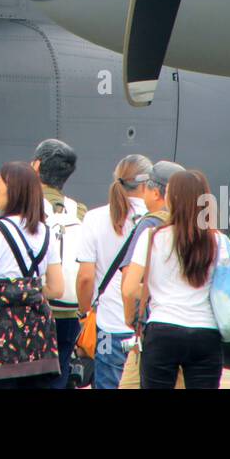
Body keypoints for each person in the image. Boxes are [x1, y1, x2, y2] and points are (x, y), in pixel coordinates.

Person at [122, 170, 230, 389]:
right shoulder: (220, 242)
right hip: (205, 334)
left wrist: (145, 299)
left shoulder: (152, 237)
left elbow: (129, 289)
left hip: (162, 330)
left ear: (172, 199)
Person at [0, 161, 63, 388]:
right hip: (37, 335)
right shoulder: (46, 231)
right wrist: (28, 290)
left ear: (13, 189)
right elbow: (57, 288)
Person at [76, 154, 150, 389]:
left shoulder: (94, 218)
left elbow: (86, 277)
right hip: (148, 326)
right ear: (147, 184)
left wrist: (84, 311)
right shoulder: (156, 219)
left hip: (109, 326)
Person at [117, 159, 183, 388]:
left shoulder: (149, 226)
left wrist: (132, 321)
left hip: (153, 331)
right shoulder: (195, 227)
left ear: (156, 192)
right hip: (191, 332)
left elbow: (129, 284)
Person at [32, 138, 88, 389]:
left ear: (36, 166)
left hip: (34, 309)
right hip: (68, 310)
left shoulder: (25, 207)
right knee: (60, 374)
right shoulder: (79, 210)